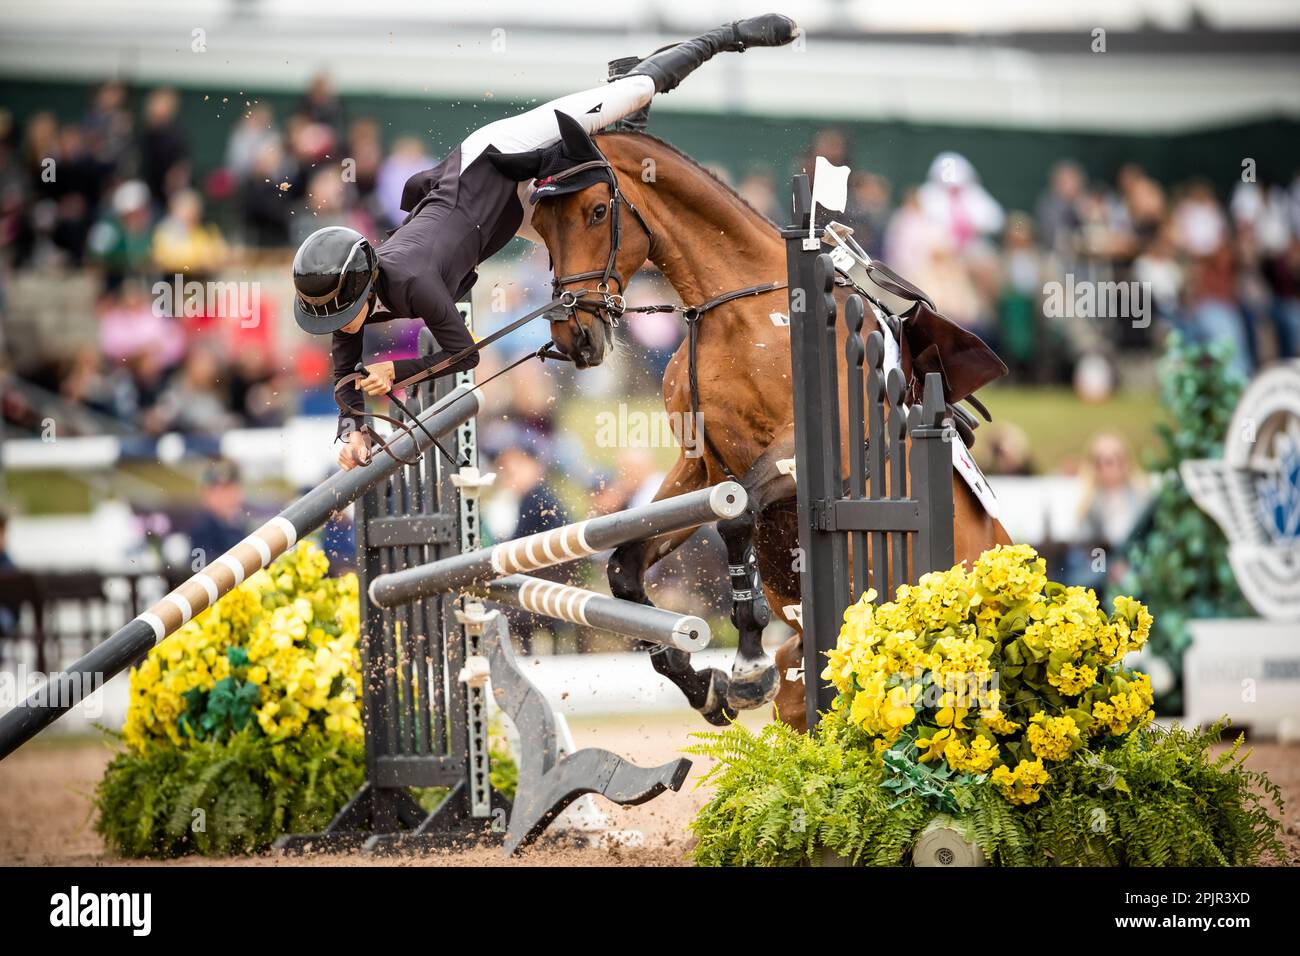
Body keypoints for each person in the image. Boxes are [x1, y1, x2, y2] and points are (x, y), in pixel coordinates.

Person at [289, 15, 798, 473]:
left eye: (341, 316)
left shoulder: (414, 283)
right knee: (587, 219)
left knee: (639, 89)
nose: (342, 328)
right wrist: (351, 428)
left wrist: (395, 371)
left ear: (359, 289)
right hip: (510, 213)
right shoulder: (354, 298)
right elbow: (344, 376)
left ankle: (727, 36)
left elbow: (463, 356)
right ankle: (624, 123)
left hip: (497, 157)